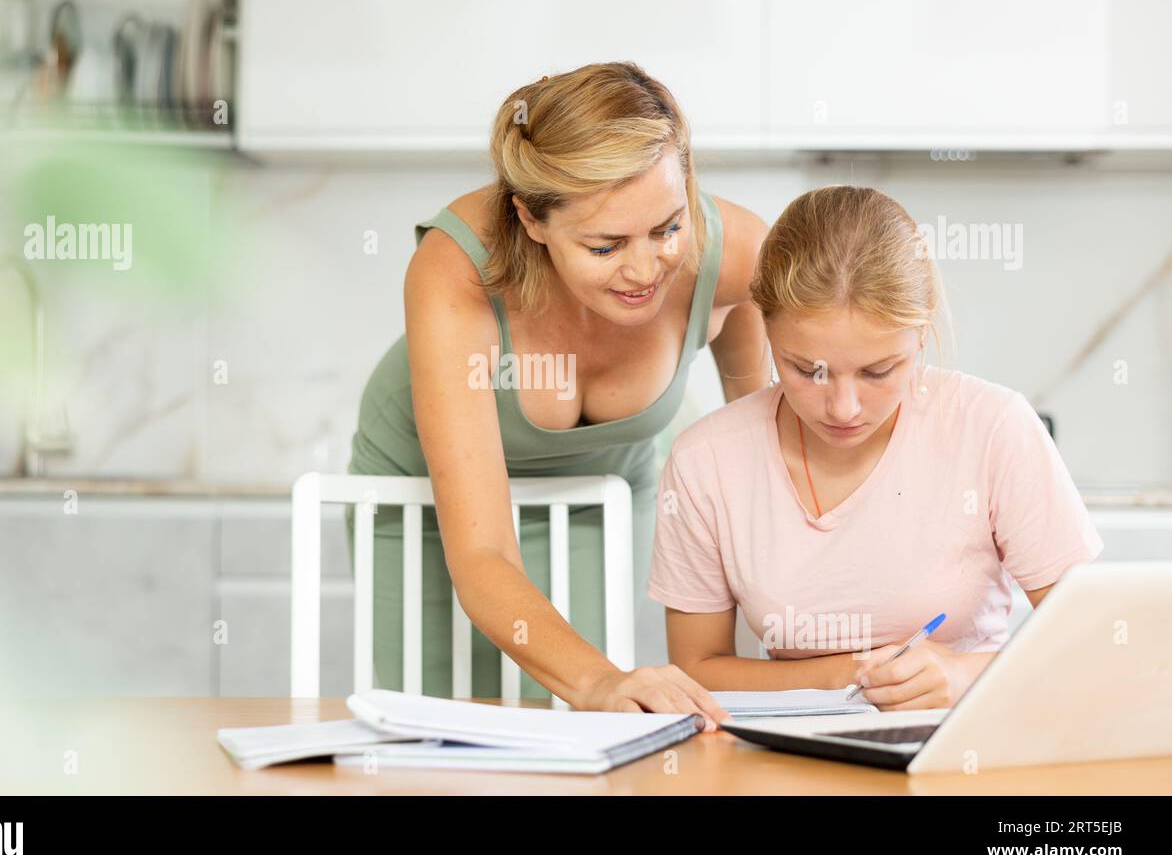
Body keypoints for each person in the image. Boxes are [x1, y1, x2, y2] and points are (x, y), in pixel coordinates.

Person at [346, 61, 770, 725]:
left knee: (590, 725)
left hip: (603, 489)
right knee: (445, 726)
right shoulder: (457, 271)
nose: (643, 270)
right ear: (532, 220)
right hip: (426, 494)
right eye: (605, 247)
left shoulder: (733, 254)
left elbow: (770, 444)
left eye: (666, 228)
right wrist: (598, 679)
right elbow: (483, 553)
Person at [649, 185, 1103, 710]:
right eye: (807, 370)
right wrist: (848, 673)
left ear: (921, 335)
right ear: (766, 329)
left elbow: (1093, 642)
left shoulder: (994, 427)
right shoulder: (708, 459)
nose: (843, 409)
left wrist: (963, 676)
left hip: (968, 747)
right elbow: (696, 669)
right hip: (797, 757)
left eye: (879, 371)